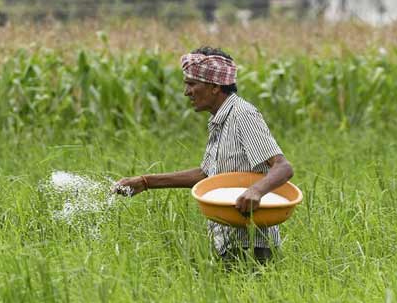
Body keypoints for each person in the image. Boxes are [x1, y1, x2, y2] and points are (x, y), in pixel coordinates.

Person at [114, 46, 294, 263]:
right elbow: (207, 176)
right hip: (228, 241)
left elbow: (283, 167)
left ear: (215, 86)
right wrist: (145, 182)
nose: (186, 92)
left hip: (253, 245)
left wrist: (256, 190)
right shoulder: (219, 119)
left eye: (191, 84)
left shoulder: (242, 115)